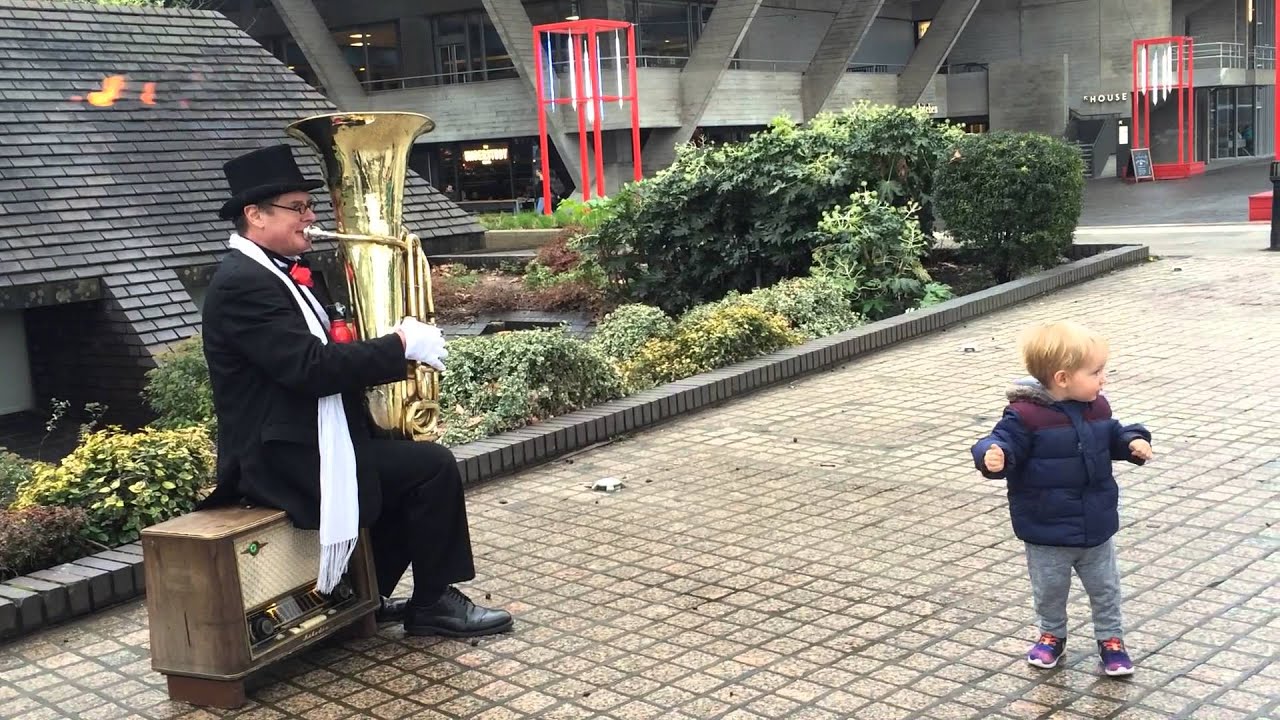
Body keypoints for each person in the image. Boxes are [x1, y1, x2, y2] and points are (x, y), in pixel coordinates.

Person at [197, 144, 513, 638]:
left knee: (404, 462)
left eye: (309, 205)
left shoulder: (284, 274)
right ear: (254, 215)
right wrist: (400, 345)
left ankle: (369, 594)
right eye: (297, 207)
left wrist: (390, 347)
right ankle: (432, 602)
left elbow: (321, 354)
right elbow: (309, 369)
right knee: (432, 469)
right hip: (276, 456)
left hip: (311, 438)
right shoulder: (243, 283)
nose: (311, 216)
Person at [970, 321, 1152, 676]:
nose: (1104, 379)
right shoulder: (1024, 416)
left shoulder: (1096, 407)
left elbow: (1112, 434)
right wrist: (993, 455)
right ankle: (1051, 635)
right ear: (1063, 378)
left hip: (1095, 522)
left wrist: (1132, 442)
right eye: (1096, 372)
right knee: (1050, 589)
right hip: (1046, 525)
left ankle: (1111, 640)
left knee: (1106, 588)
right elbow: (1000, 441)